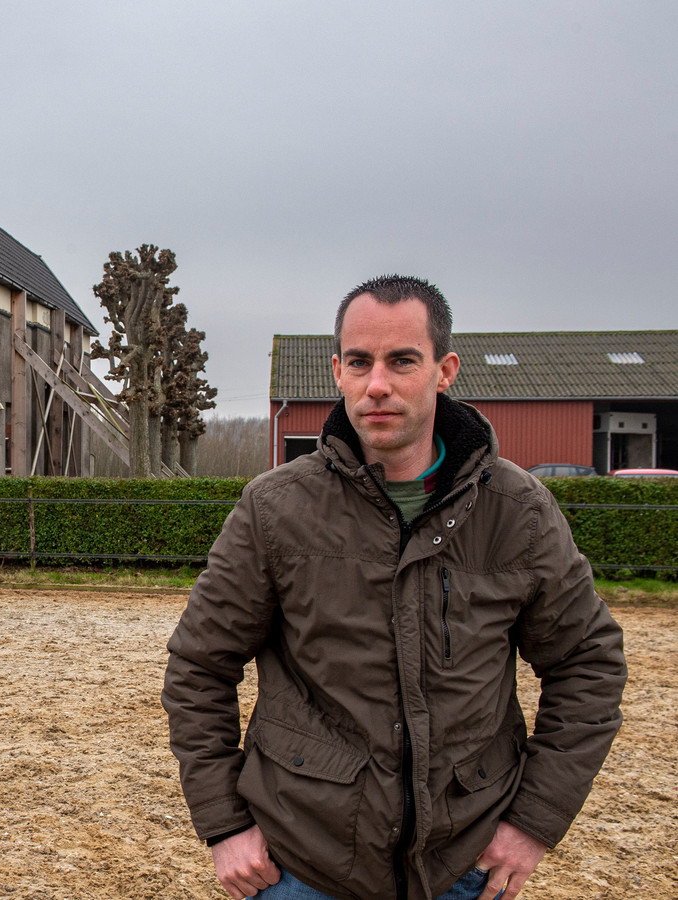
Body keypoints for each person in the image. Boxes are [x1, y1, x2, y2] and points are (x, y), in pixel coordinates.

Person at [162, 275, 626, 900]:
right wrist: (224, 825)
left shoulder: (518, 511)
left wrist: (534, 822)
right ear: (338, 371)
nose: (377, 384)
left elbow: (587, 664)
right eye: (360, 362)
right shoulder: (275, 509)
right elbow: (198, 664)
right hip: (303, 863)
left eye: (402, 360)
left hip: (464, 864)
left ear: (444, 370)